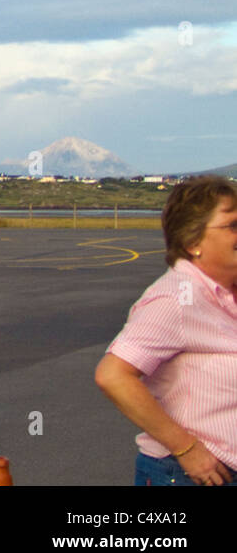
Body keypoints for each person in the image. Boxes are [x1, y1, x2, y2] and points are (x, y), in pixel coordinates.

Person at [95, 175, 237, 486]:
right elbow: (113, 376)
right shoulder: (175, 299)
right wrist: (186, 449)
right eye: (233, 225)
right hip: (193, 475)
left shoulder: (227, 295)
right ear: (192, 242)